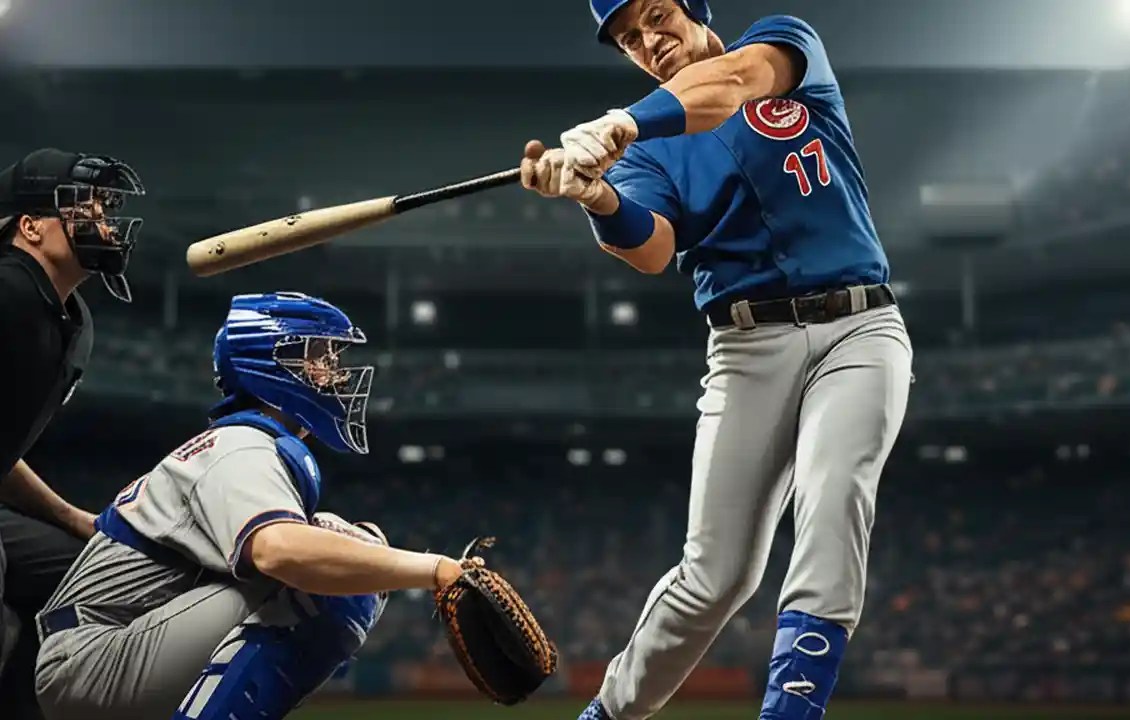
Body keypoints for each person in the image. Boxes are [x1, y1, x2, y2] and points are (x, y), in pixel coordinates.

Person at [519, 2, 914, 719]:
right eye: (629, 39)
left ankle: (791, 711)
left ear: (694, 6)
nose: (648, 41)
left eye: (657, 15)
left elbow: (732, 81)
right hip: (745, 346)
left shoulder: (783, 44)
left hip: (860, 328)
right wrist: (597, 196)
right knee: (716, 575)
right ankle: (606, 714)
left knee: (833, 498)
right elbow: (653, 248)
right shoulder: (646, 153)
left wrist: (624, 121)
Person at [31, 291, 481, 720]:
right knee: (327, 567)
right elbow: (279, 552)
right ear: (270, 366)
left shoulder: (240, 444)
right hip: (91, 658)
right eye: (317, 357)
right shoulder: (242, 446)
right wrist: (437, 570)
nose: (334, 372)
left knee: (336, 547)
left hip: (110, 646)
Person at [0, 148, 146, 719]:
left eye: (106, 207)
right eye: (83, 206)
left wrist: (69, 517)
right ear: (30, 227)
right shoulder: (8, 291)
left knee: (85, 572)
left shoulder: (69, 317)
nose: (103, 219)